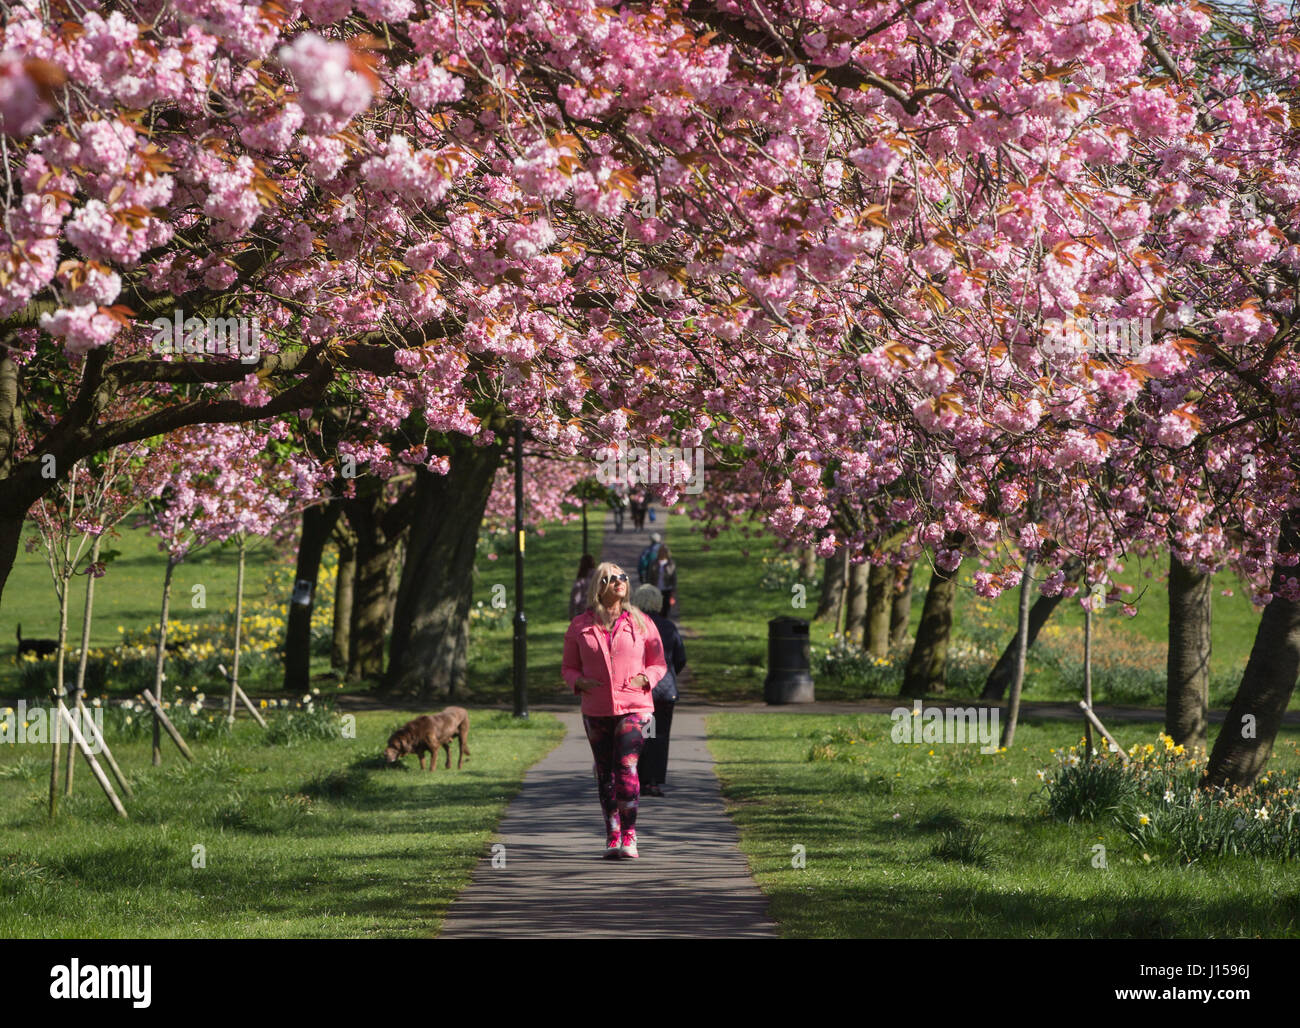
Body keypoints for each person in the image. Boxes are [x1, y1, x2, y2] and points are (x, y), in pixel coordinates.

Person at [562, 561, 667, 859]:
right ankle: (612, 834)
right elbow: (568, 667)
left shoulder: (642, 622)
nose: (619, 582)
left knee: (626, 766)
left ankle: (630, 836)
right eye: (610, 578)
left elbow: (659, 662)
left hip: (636, 706)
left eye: (622, 577)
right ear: (599, 585)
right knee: (605, 772)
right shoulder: (580, 625)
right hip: (596, 708)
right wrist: (578, 681)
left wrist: (648, 677)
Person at [631, 584, 685, 797]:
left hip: (639, 691)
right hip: (664, 692)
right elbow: (680, 657)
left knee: (640, 734)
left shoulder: (633, 626)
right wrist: (670, 675)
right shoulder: (668, 627)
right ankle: (653, 781)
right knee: (659, 736)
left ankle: (636, 778)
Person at [652, 542, 677, 617]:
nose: (662, 553)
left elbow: (673, 577)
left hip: (667, 589)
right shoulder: (654, 563)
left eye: (664, 551)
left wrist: (673, 590)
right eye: (661, 551)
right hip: (656, 589)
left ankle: (664, 623)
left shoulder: (670, 563)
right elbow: (650, 576)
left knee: (666, 608)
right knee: (657, 608)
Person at [569, 554, 596, 619]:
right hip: (596, 611)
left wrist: (571, 614)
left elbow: (575, 599)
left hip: (582, 611)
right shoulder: (598, 577)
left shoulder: (581, 579)